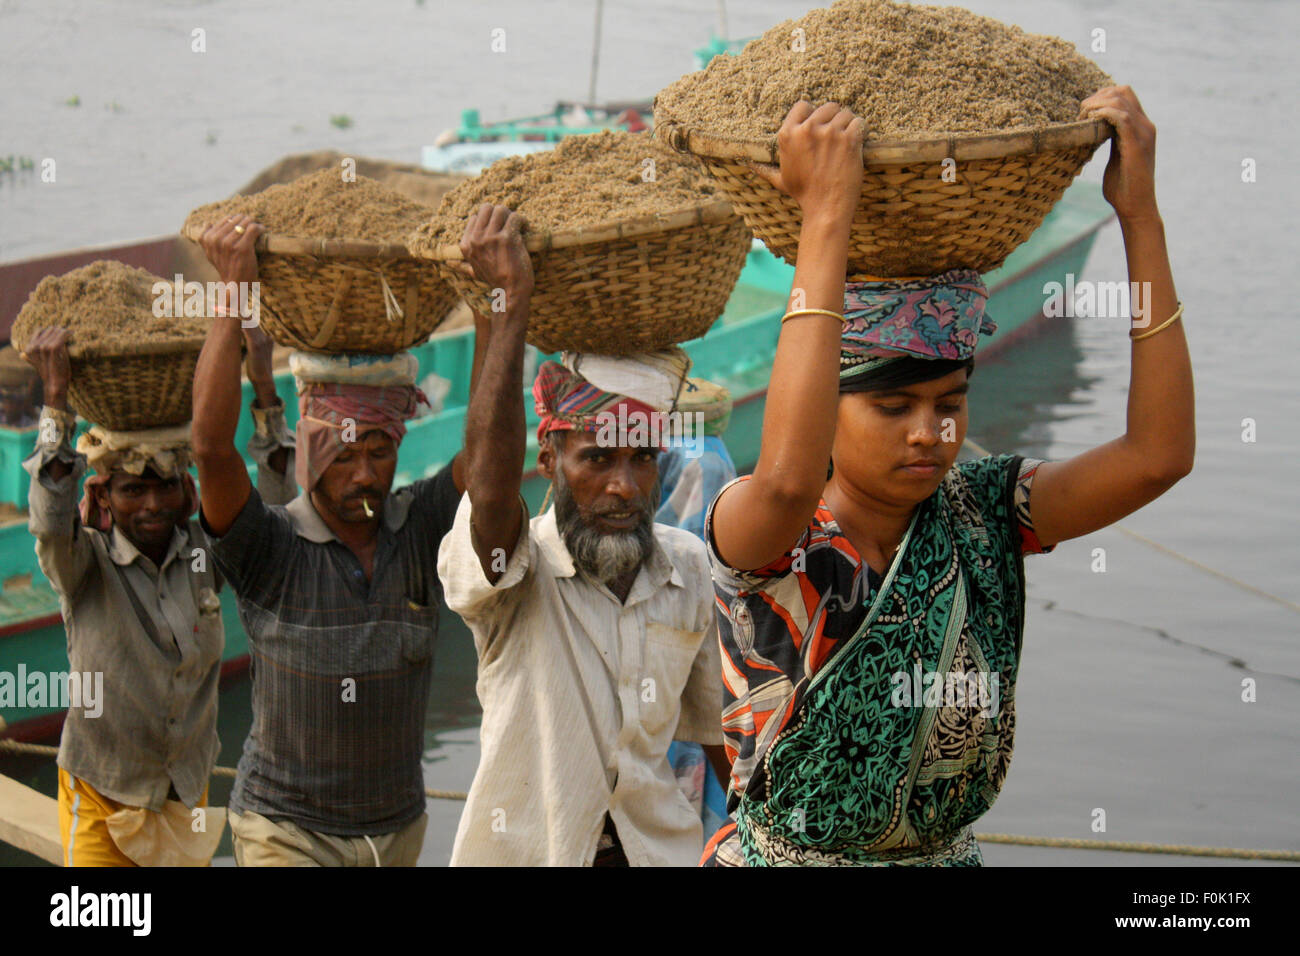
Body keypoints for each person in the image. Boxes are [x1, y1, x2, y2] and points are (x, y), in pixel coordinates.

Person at [702, 87, 1193, 866]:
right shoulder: (768, 535)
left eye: (950, 403)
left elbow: (1157, 457)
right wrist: (824, 216)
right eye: (893, 406)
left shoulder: (987, 510)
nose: (930, 433)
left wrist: (1141, 218)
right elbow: (790, 479)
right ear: (824, 406)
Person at [191, 214, 501, 867]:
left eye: (381, 450)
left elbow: (483, 454)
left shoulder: (419, 530)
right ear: (307, 450)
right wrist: (233, 299)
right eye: (342, 453)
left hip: (395, 832)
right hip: (285, 829)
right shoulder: (266, 547)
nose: (363, 473)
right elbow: (210, 449)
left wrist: (491, 311)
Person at [437, 204, 727, 866]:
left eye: (642, 458)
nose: (624, 486)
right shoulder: (517, 570)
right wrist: (508, 308)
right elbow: (486, 491)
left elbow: (720, 736)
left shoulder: (687, 568)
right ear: (550, 463)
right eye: (597, 459)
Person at [22, 321, 295, 867]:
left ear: (186, 490)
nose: (150, 504)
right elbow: (51, 519)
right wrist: (55, 406)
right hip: (101, 792)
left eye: (165, 486)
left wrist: (265, 391)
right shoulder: (84, 564)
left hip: (184, 794)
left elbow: (278, 514)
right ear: (105, 495)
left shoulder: (203, 553)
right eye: (131, 490)